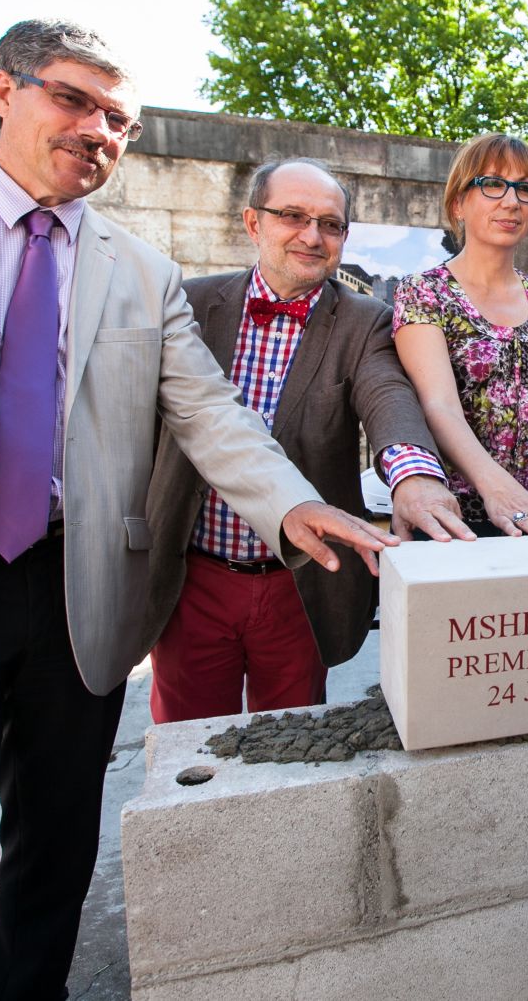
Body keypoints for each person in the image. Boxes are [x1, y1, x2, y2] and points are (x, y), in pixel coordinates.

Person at [0, 19, 394, 1000]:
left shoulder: (139, 270)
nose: (97, 130)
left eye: (119, 120)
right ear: (4, 90)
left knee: (52, 861)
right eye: (74, 99)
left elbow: (209, 413)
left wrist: (295, 507)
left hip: (77, 602)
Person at [142, 159, 471, 723]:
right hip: (192, 578)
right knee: (188, 751)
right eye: (292, 216)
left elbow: (388, 397)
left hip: (299, 580)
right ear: (253, 223)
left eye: (331, 224)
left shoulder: (366, 321)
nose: (312, 236)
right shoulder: (188, 304)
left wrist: (416, 477)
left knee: (290, 751)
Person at [392, 132, 528, 539]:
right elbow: (437, 405)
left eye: (525, 189)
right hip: (456, 517)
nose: (511, 201)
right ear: (458, 203)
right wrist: (498, 489)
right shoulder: (425, 291)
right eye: (492, 184)